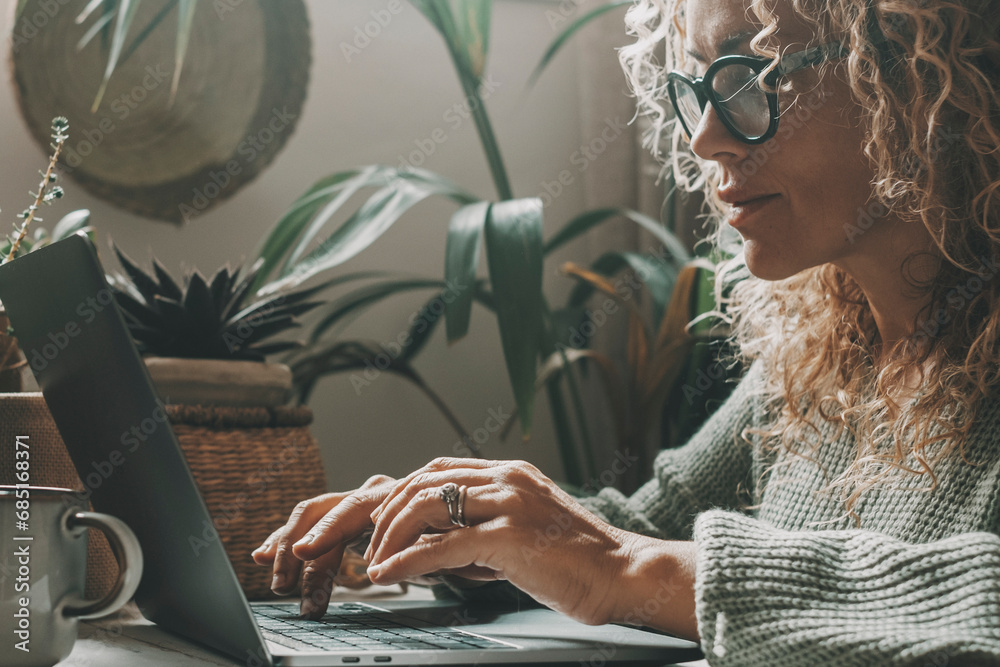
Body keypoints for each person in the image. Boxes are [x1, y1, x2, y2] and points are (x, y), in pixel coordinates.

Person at [254, 0, 1000, 663]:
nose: (707, 139)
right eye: (699, 85)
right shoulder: (820, 348)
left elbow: (981, 602)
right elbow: (649, 527)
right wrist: (472, 529)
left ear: (912, 80)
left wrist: (627, 566)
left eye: (752, 77)